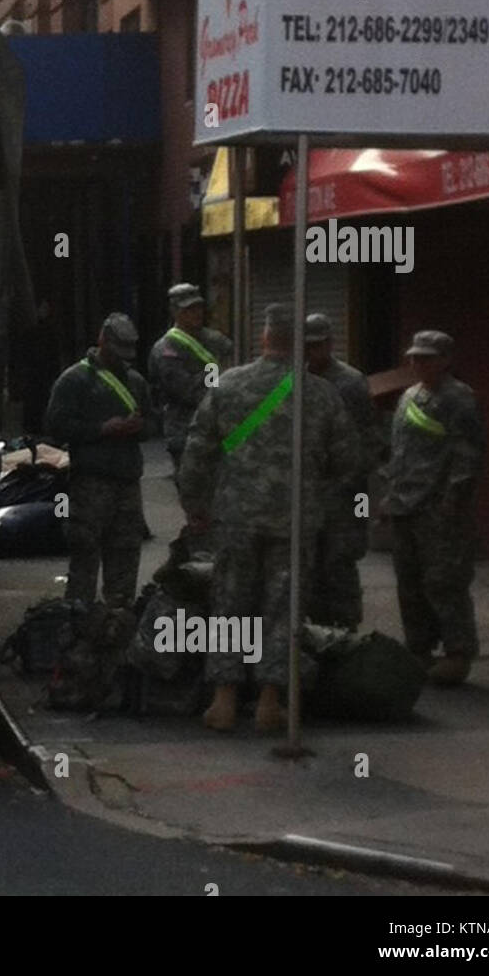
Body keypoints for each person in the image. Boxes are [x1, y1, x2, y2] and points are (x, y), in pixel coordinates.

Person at [179, 304, 357, 733]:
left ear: (263, 338)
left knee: (230, 604)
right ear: (300, 344)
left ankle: (223, 701)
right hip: (295, 522)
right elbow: (348, 461)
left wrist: (196, 506)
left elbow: (197, 454)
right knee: (283, 608)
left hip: (236, 517)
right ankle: (269, 702)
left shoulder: (228, 386)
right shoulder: (321, 394)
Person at [383, 331, 484, 686]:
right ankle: (419, 648)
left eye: (427, 357)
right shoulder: (410, 396)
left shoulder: (458, 399)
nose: (418, 363)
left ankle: (458, 652)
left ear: (445, 360)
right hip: (404, 504)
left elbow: (468, 456)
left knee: (444, 582)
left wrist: (452, 502)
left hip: (438, 508)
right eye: (415, 357)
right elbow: (398, 450)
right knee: (409, 582)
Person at [44, 313, 153, 609]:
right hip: (91, 483)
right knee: (84, 562)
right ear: (102, 340)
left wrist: (137, 427)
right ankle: (78, 625)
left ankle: (117, 625)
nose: (122, 359)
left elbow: (154, 425)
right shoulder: (75, 380)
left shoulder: (135, 382)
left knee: (125, 560)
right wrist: (103, 429)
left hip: (128, 483)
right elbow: (56, 425)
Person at [304, 313, 379, 629]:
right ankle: (318, 630)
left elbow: (367, 440)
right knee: (308, 566)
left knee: (339, 563)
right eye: (305, 346)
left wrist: (347, 484)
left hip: (342, 494)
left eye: (316, 345)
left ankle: (346, 631)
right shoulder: (293, 378)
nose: (310, 352)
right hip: (307, 490)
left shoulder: (349, 383)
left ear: (330, 344)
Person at [149, 283, 234, 478]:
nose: (196, 313)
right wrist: (215, 374)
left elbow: (236, 368)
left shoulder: (216, 340)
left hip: (220, 428)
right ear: (175, 311)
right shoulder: (167, 349)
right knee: (193, 491)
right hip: (186, 430)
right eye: (188, 309)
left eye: (198, 308)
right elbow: (187, 391)